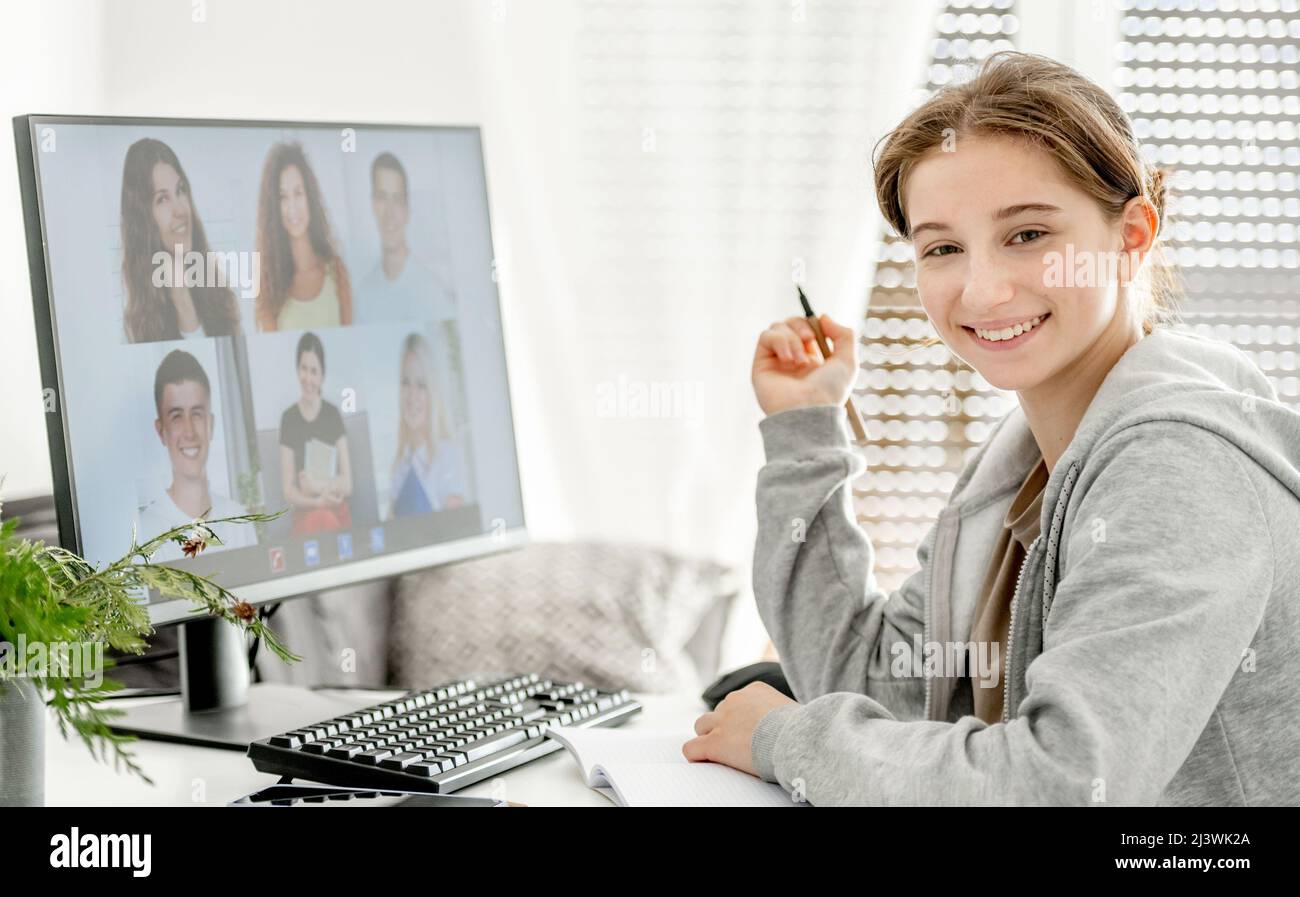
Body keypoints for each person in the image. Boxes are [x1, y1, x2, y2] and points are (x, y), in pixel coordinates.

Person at [683, 52, 1300, 806]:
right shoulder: (1017, 471)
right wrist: (806, 429)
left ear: (1132, 235)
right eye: (943, 248)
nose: (981, 288)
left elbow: (1060, 783)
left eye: (1028, 234)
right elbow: (879, 684)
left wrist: (783, 739)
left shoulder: (1181, 466)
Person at [136, 350, 254, 560]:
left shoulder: (241, 521)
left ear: (211, 425)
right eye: (177, 416)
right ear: (161, 431)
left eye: (197, 414)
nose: (189, 431)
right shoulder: (145, 534)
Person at [120, 139, 240, 342]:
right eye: (162, 199)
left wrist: (183, 295)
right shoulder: (135, 328)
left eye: (180, 190)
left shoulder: (221, 296)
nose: (180, 210)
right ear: (143, 220)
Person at [254, 142, 353, 331]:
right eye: (283, 197)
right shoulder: (268, 285)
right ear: (274, 206)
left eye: (298, 193)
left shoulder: (337, 271)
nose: (292, 206)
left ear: (310, 196)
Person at [356, 152, 456, 325]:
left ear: (407, 208)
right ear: (372, 204)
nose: (390, 214)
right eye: (382, 198)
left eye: (397, 199)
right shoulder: (363, 294)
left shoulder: (433, 292)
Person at [278, 332, 353, 533]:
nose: (308, 378)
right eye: (304, 369)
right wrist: (317, 502)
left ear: (322, 375)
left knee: (329, 520)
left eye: (314, 371)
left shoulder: (332, 414)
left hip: (335, 506)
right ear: (297, 369)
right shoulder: (288, 418)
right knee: (320, 519)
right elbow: (288, 490)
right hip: (306, 510)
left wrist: (317, 488)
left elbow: (348, 483)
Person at [389, 332, 465, 517]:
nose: (411, 395)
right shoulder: (400, 465)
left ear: (433, 393)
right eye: (405, 383)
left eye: (421, 385)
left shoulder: (447, 457)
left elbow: (456, 529)